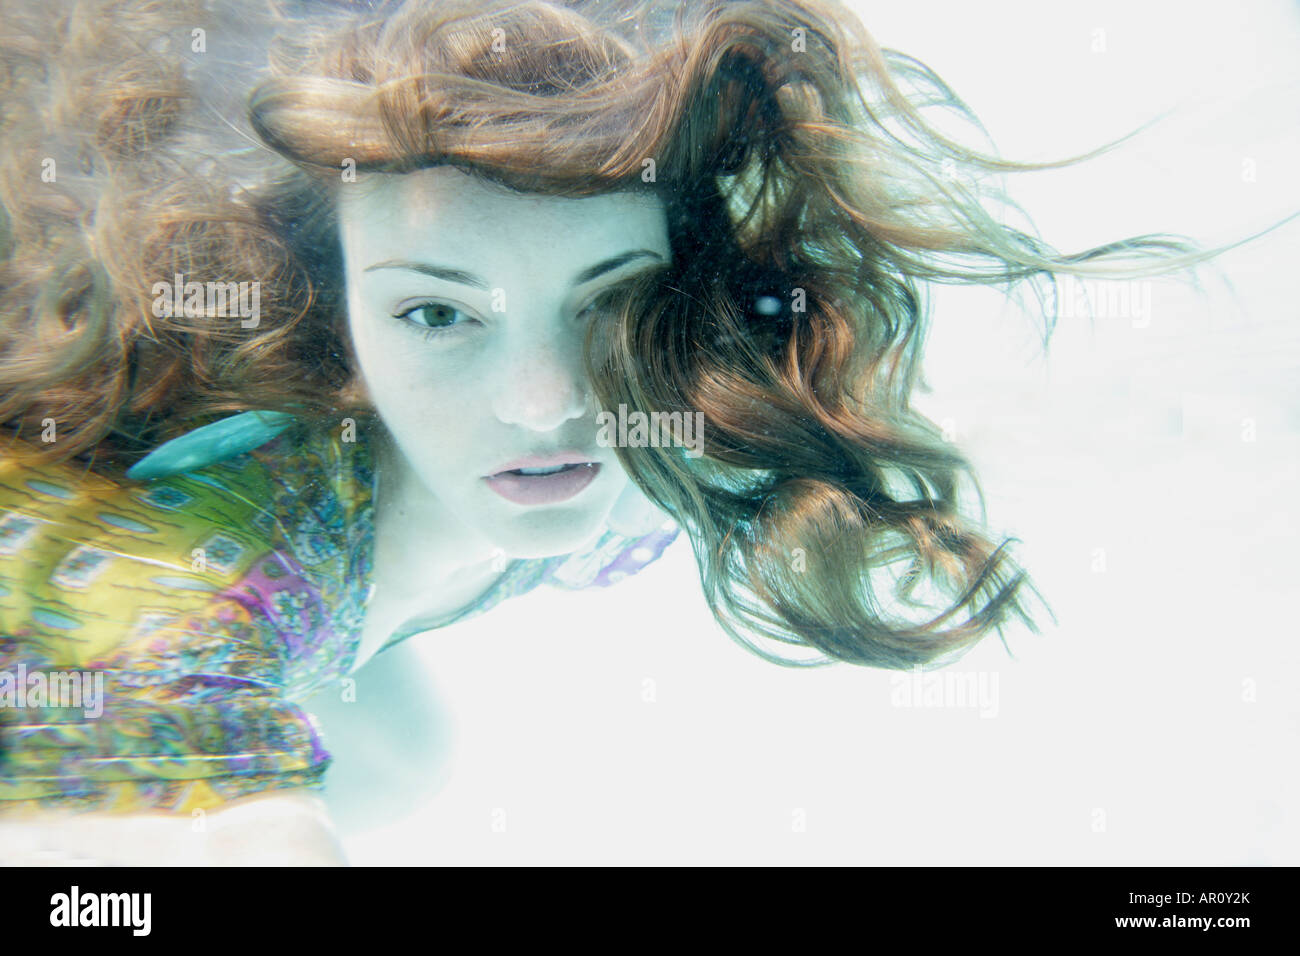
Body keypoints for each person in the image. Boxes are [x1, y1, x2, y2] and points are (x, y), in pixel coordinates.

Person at [0, 0, 1209, 863]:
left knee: (408, 756)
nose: (540, 401)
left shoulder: (680, 441)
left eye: (611, 301)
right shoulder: (219, 537)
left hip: (326, 659)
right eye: (436, 311)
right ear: (342, 319)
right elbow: (191, 781)